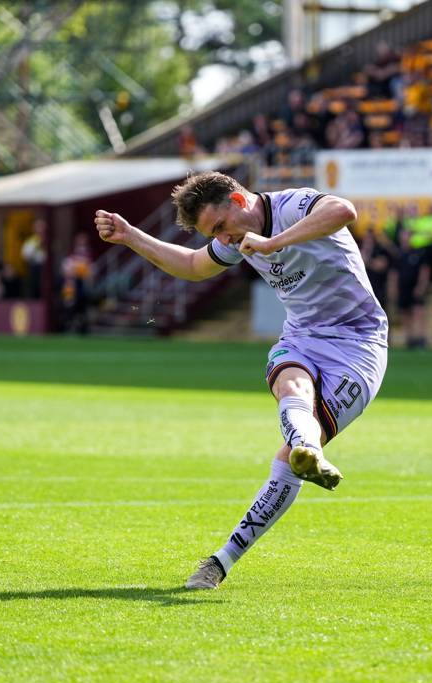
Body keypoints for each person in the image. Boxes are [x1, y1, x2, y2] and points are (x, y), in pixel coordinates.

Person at [94, 172, 388, 590]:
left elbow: (343, 211)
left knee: (285, 458)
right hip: (302, 337)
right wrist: (130, 236)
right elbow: (194, 265)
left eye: (220, 228)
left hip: (359, 345)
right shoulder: (236, 235)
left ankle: (225, 557)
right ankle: (307, 448)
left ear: (237, 199)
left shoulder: (290, 206)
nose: (224, 240)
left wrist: (272, 244)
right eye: (214, 234)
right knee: (290, 385)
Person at [396, 225, 431, 349]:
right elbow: (394, 273)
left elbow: (424, 270)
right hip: (403, 288)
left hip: (414, 287)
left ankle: (421, 338)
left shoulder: (418, 253)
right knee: (405, 313)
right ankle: (409, 338)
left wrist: (421, 286)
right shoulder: (399, 254)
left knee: (418, 311)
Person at [22, 219, 47, 299]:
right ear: (34, 229)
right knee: (34, 287)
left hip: (46, 267)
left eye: (42, 227)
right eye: (38, 227)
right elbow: (25, 255)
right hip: (35, 267)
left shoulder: (48, 239)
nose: (40, 229)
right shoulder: (31, 241)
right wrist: (37, 245)